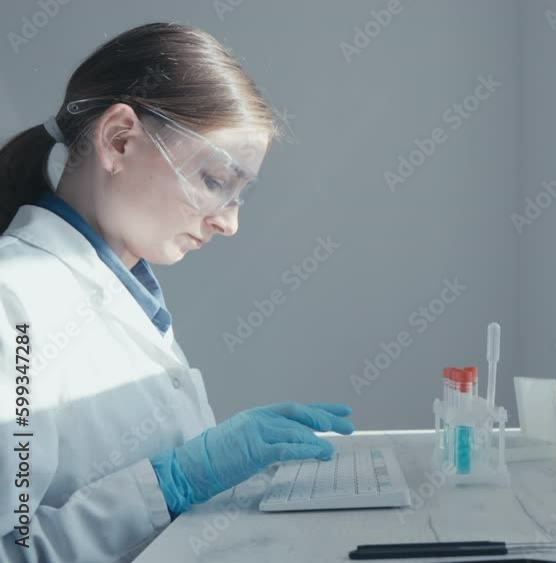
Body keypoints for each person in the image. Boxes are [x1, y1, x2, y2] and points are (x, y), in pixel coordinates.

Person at [0, 23, 354, 562]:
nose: (229, 222)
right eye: (214, 180)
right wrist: (171, 483)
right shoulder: (13, 301)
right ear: (119, 139)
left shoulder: (124, 293)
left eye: (239, 193)